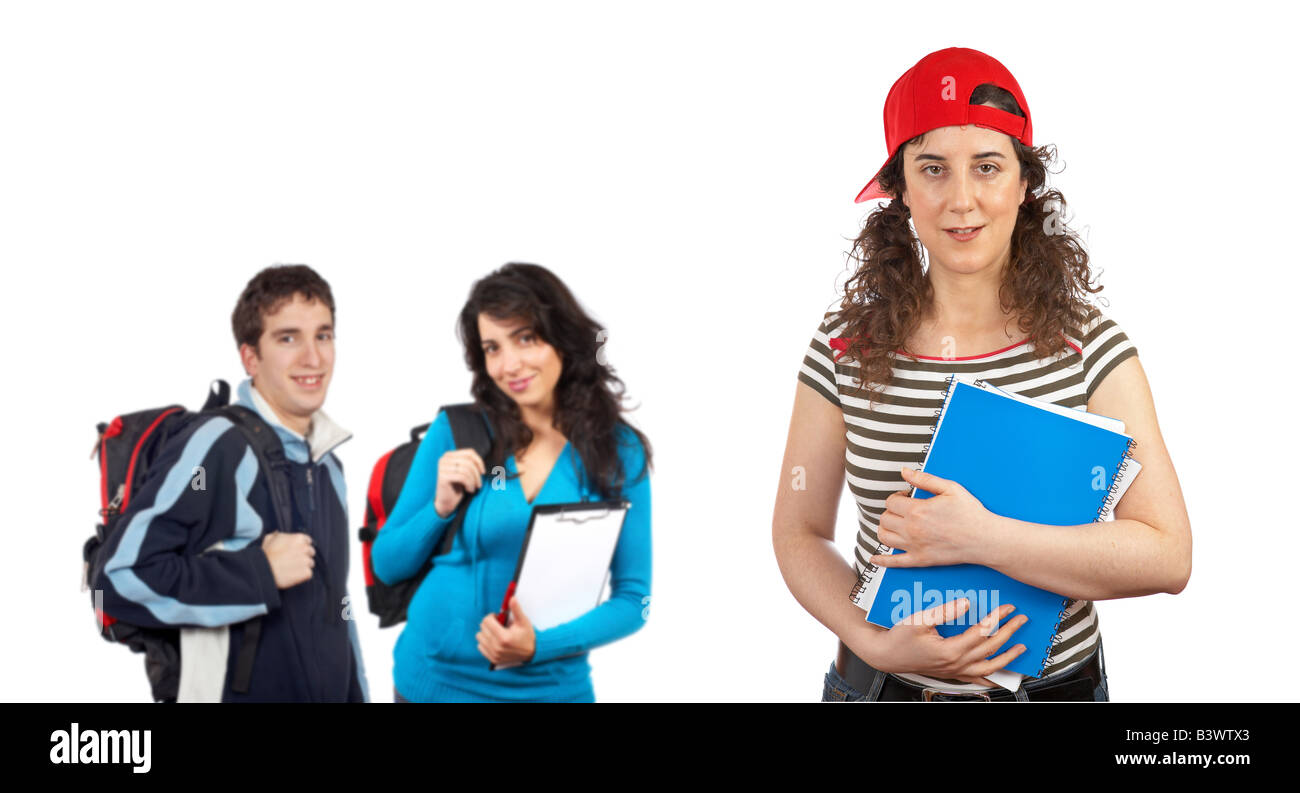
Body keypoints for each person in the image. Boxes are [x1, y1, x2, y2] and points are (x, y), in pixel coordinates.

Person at [772, 48, 1192, 702]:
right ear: (899, 187)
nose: (961, 200)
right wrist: (873, 636)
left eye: (987, 167)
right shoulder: (843, 348)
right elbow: (798, 532)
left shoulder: (1090, 349)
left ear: (1024, 186)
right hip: (879, 687)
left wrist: (980, 536)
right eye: (932, 168)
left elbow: (1167, 555)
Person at [372, 263, 652, 703]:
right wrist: (438, 509)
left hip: (551, 690)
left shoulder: (619, 450)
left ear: (561, 336)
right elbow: (387, 565)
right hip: (433, 683)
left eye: (525, 338)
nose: (510, 365)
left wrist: (540, 646)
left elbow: (635, 600)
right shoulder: (458, 430)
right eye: (492, 348)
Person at [94, 264, 368, 702]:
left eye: (323, 334)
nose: (313, 358)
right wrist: (259, 572)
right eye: (288, 338)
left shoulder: (330, 466)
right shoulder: (215, 451)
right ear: (250, 357)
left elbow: (340, 612)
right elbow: (117, 582)